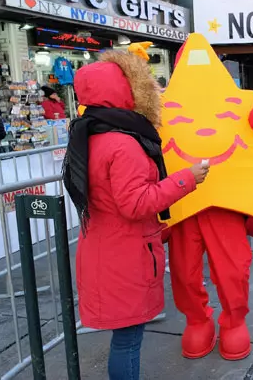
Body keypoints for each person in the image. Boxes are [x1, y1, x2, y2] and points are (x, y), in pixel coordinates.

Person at [62, 49, 209, 380]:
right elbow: (136, 203)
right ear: (126, 89)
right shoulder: (123, 142)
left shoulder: (90, 132)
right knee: (128, 341)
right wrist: (187, 179)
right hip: (125, 255)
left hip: (105, 248)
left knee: (124, 337)